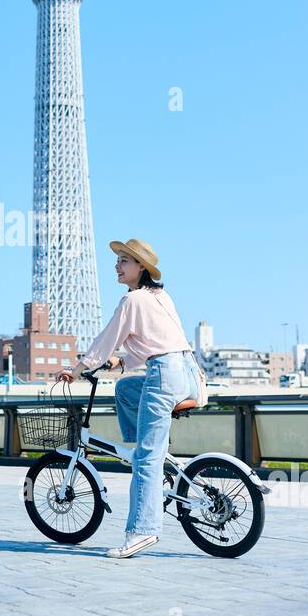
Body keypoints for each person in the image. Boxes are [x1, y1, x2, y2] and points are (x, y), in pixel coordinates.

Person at [56, 238, 201, 559]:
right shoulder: (160, 296)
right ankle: (146, 449)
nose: (117, 266)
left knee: (146, 459)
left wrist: (79, 370)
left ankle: (143, 530)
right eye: (118, 260)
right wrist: (120, 363)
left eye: (124, 260)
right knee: (124, 389)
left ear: (141, 268)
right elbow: (157, 341)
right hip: (186, 373)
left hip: (164, 374)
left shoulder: (132, 301)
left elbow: (106, 340)